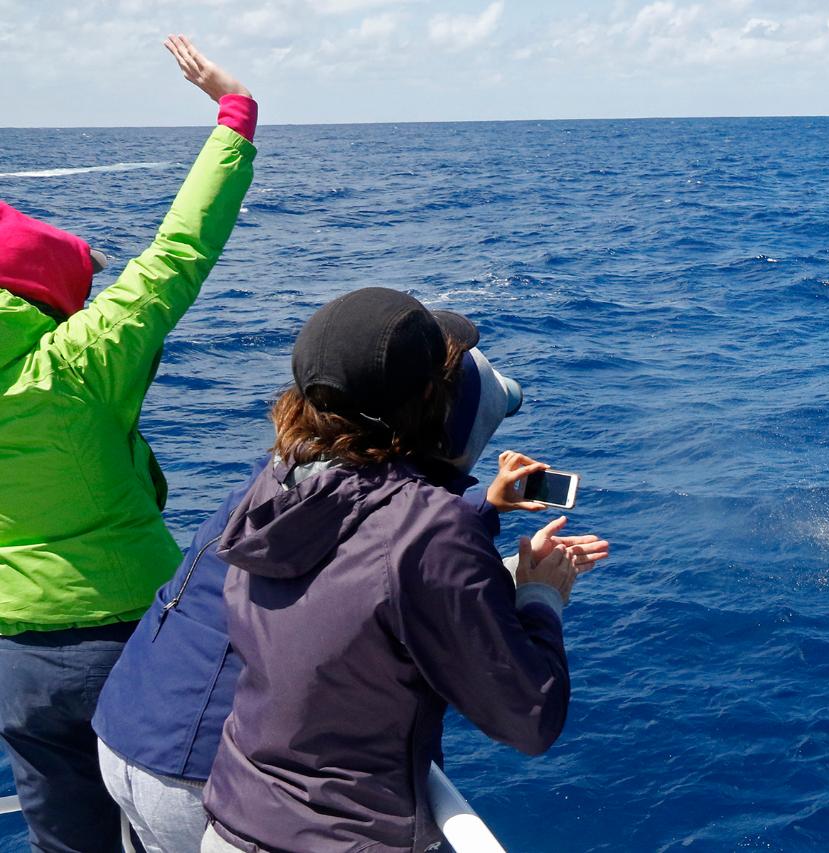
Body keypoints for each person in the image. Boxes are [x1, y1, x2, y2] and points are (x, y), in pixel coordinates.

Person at [92, 326, 606, 851]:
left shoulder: (287, 476)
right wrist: (539, 596)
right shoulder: (422, 530)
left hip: (127, 732)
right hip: (206, 769)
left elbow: (371, 536)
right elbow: (526, 713)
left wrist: (480, 510)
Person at [0, 35, 257, 852]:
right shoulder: (78, 356)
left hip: (15, 656)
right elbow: (178, 251)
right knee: (184, 820)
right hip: (133, 638)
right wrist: (235, 116)